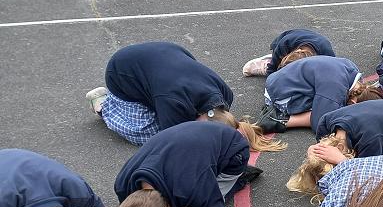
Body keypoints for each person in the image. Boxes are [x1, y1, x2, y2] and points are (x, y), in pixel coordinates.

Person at [86, 42, 284, 152]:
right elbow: (173, 143)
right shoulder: (173, 101)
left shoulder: (225, 95)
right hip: (121, 72)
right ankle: (105, 106)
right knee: (147, 135)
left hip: (165, 54)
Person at [107, 121, 259, 207]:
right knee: (191, 205)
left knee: (201, 206)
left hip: (233, 151)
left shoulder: (190, 189)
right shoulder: (122, 184)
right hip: (190, 137)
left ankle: (240, 177)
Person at [287, 100, 383, 196]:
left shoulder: (370, 138)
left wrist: (342, 161)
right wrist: (313, 150)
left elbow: (369, 173)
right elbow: (322, 147)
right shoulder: (325, 123)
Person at [258, 55, 383, 134]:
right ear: (353, 102)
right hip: (279, 94)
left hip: (284, 80)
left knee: (332, 105)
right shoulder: (335, 87)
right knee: (333, 114)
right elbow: (321, 123)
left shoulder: (353, 71)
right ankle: (279, 119)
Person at [241, 28, 336, 77]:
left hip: (313, 42)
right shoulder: (283, 46)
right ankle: (268, 62)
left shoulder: (327, 55)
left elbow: (332, 72)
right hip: (286, 39)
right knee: (249, 70)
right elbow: (273, 73)